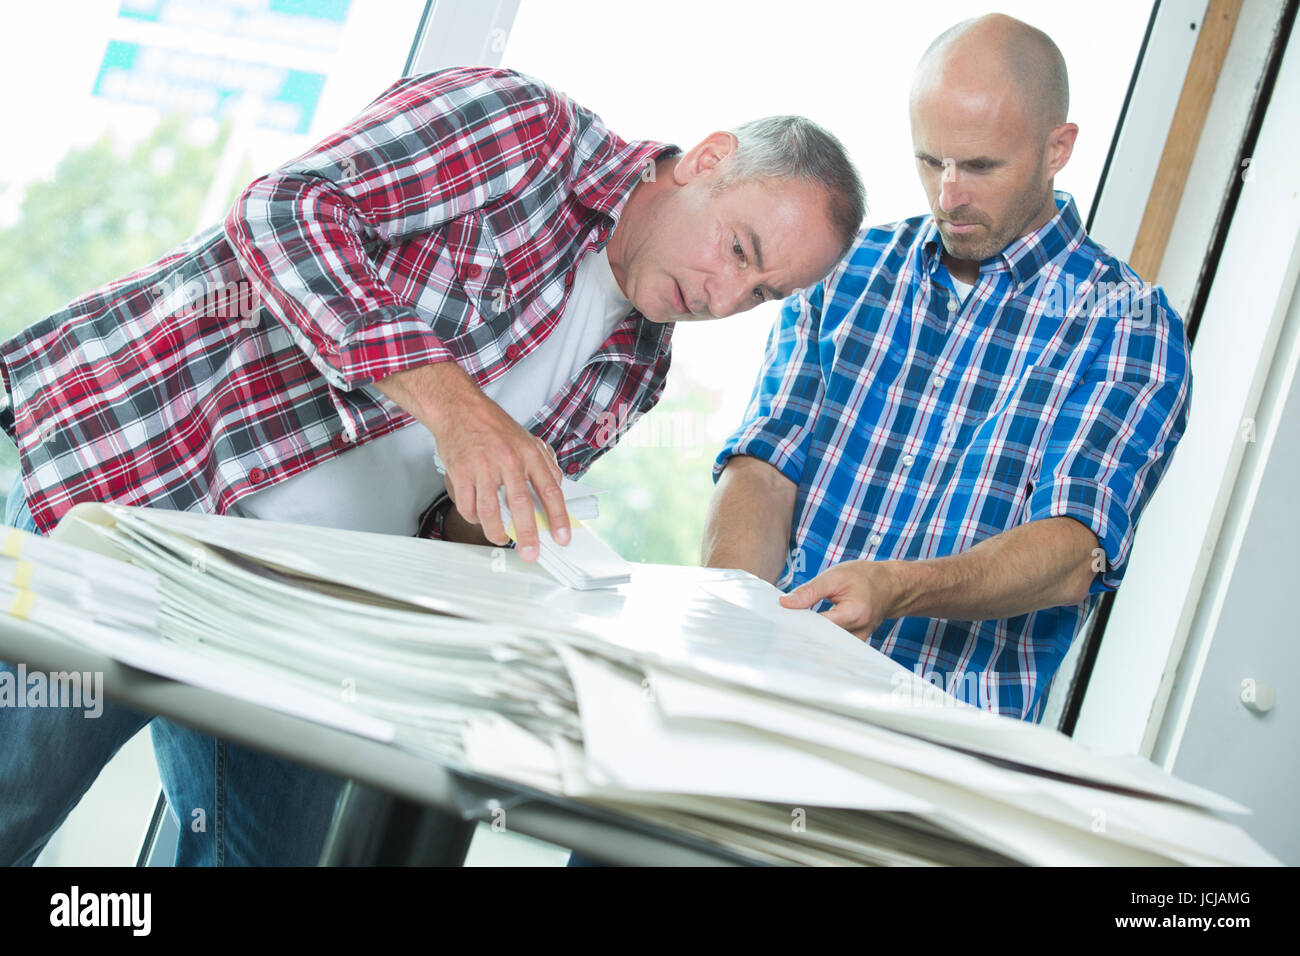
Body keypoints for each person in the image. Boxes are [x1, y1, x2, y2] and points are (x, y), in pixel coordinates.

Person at [0, 65, 864, 865]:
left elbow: (449, 524)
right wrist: (456, 407)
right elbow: (284, 212)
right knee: (14, 804)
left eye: (762, 295)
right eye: (740, 249)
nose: (723, 296)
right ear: (707, 160)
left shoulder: (641, 367)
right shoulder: (526, 132)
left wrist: (485, 529)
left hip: (298, 614)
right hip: (138, 502)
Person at [704, 13, 1192, 723]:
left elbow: (1071, 552)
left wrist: (899, 587)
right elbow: (765, 462)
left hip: (931, 743)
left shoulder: (1125, 324)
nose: (949, 196)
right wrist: (724, 636)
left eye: (981, 167)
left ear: (1058, 148)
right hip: (761, 695)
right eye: (930, 161)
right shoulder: (849, 270)